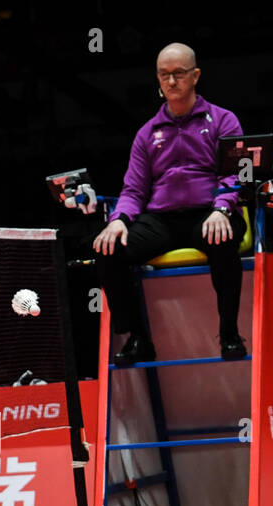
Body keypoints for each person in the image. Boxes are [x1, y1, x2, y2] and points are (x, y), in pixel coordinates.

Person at [93, 43, 248, 364]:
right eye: (164, 75)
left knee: (224, 238)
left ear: (195, 76)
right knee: (107, 249)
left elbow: (236, 175)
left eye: (179, 74)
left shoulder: (223, 120)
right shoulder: (147, 133)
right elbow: (134, 189)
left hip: (209, 214)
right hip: (162, 221)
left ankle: (230, 332)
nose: (171, 81)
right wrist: (119, 219)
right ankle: (136, 337)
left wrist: (222, 207)